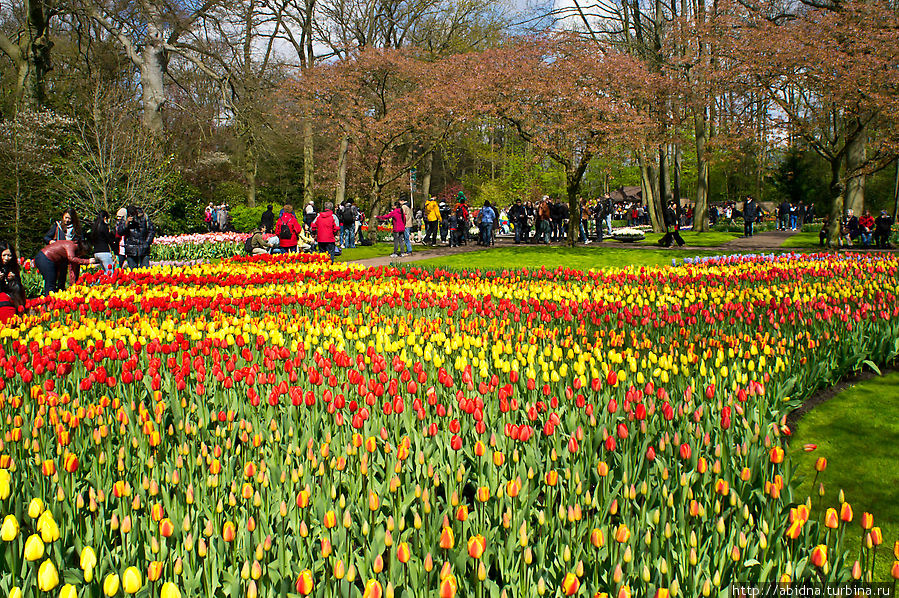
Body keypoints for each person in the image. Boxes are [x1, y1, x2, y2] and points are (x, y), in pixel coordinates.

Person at [0, 241, 25, 322]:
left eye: (9, 255)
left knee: (17, 286)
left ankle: (20, 311)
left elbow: (19, 286)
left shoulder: (13, 266)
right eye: (4, 255)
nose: (7, 258)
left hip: (12, 295)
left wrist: (14, 278)